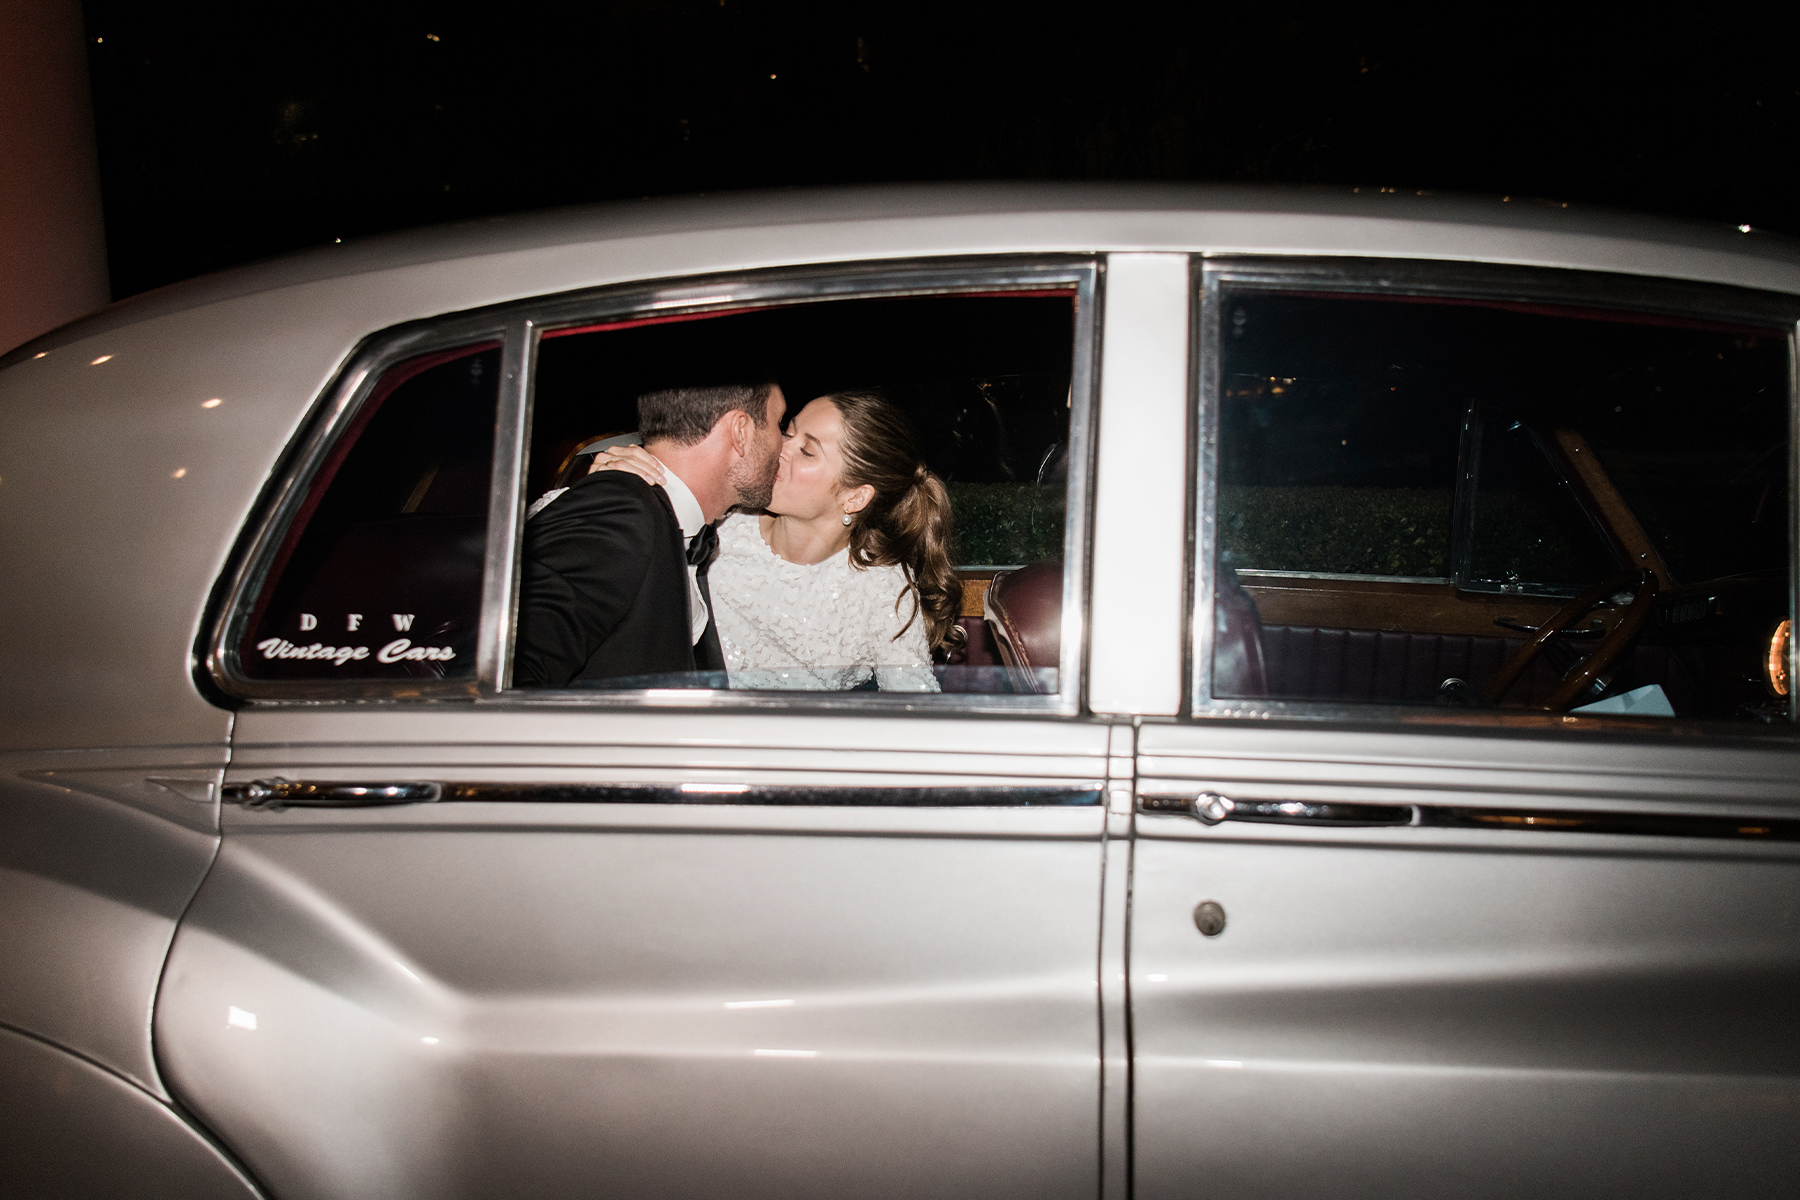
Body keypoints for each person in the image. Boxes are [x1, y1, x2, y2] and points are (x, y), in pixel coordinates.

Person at [592, 390, 964, 691]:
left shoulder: (883, 591)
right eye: (788, 431)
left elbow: (917, 718)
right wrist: (616, 485)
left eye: (806, 450)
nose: (779, 448)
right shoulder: (721, 519)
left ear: (854, 497)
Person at [512, 382, 784, 687]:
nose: (782, 445)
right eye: (778, 424)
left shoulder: (680, 527)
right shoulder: (620, 509)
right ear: (741, 432)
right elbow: (508, 669)